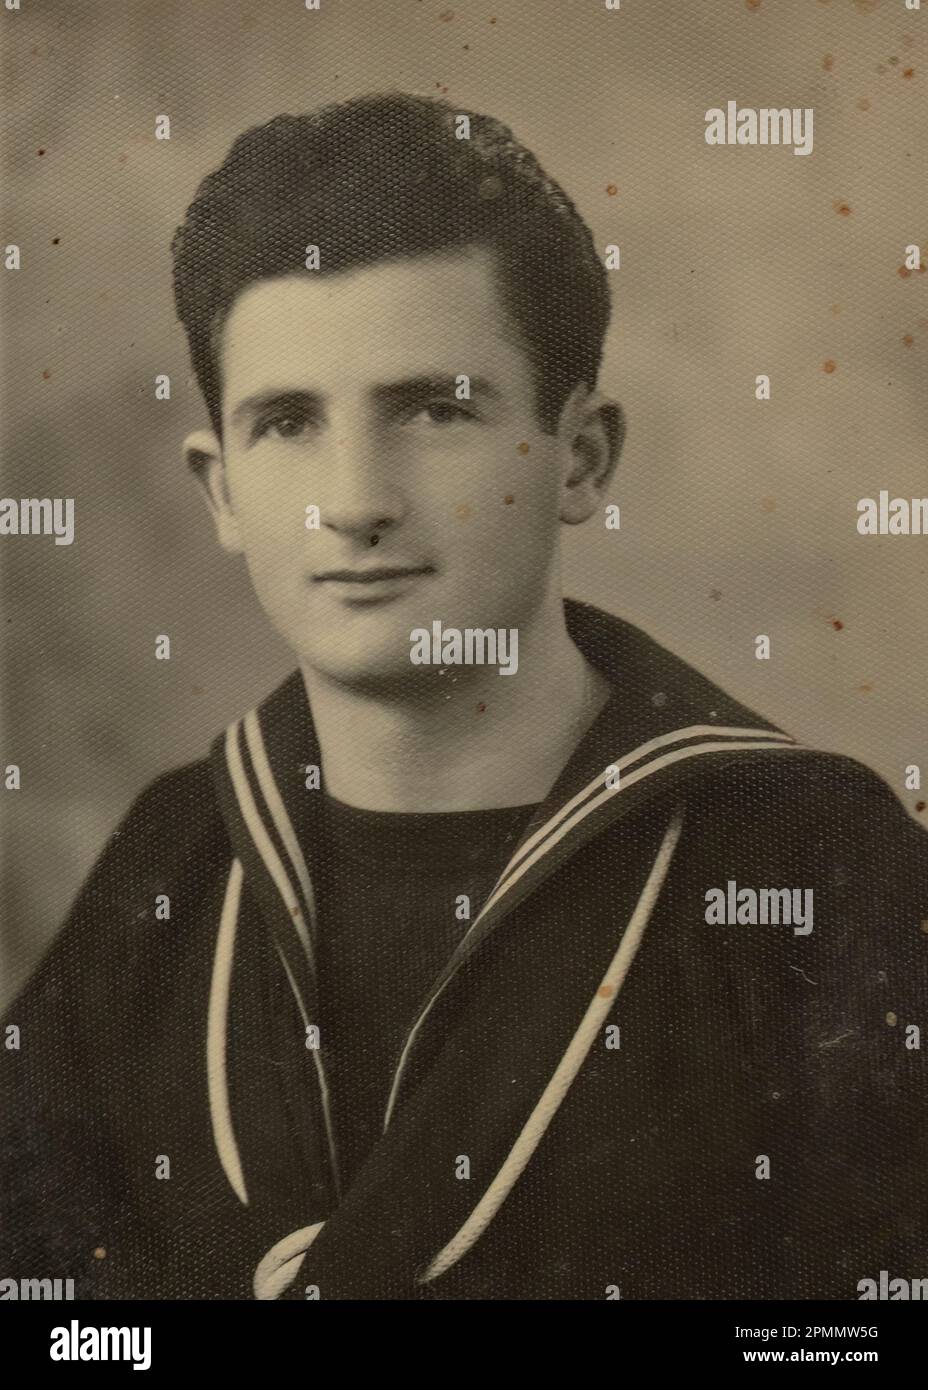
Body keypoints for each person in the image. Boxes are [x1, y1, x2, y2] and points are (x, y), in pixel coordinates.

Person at [2, 93, 926, 1302]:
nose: (355, 500)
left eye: (434, 409)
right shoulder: (170, 865)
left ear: (580, 457)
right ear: (221, 490)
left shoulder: (810, 858)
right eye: (287, 423)